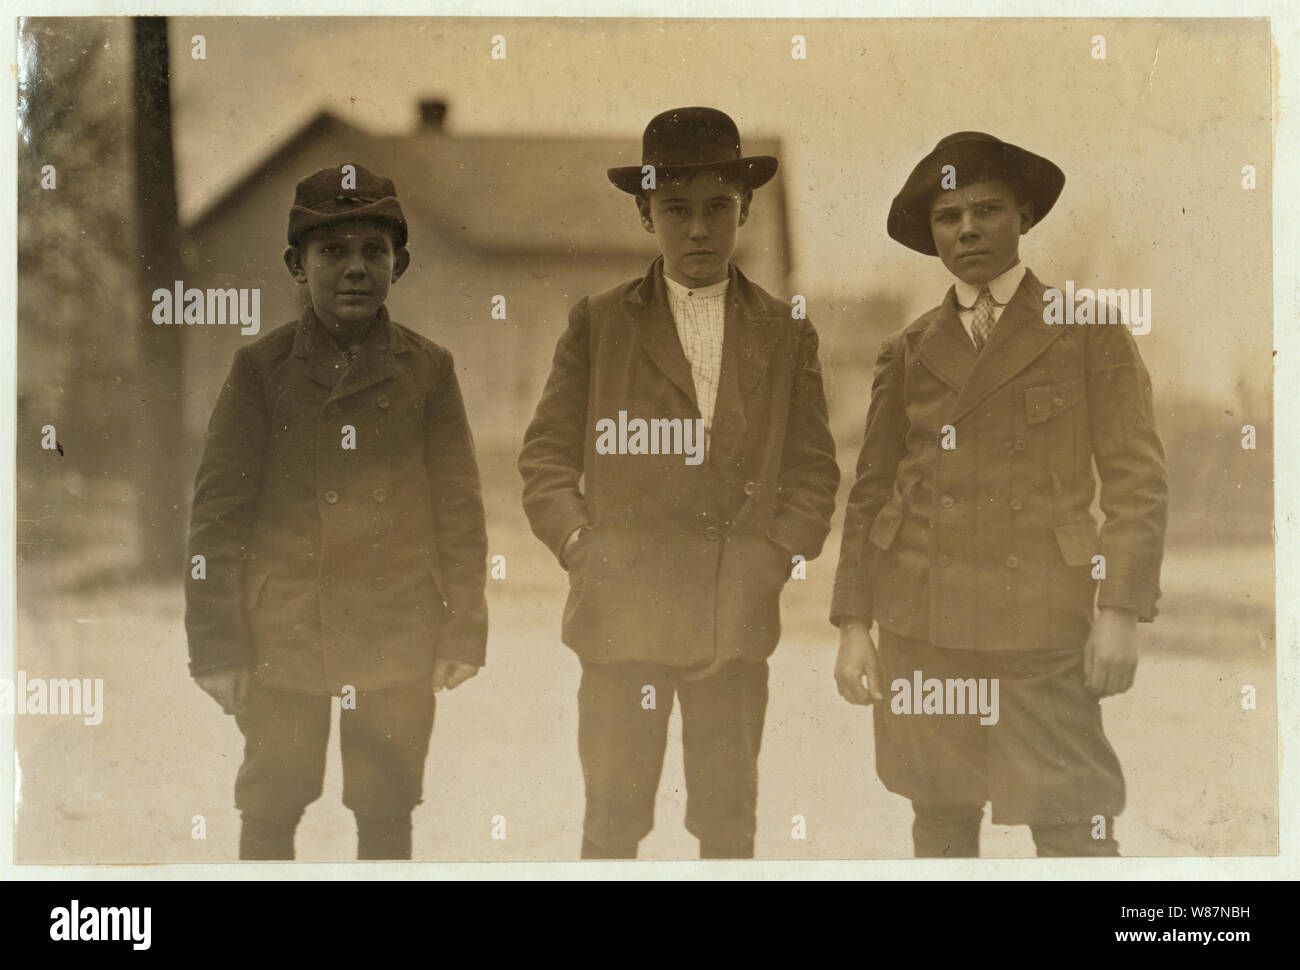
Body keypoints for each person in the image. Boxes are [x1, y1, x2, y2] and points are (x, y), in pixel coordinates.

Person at [830, 131, 1168, 857]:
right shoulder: (909, 349)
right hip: (923, 622)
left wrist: (1120, 612)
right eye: (948, 217)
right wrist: (854, 624)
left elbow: (1137, 479)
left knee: (1074, 821)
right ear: (932, 235)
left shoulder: (1087, 330)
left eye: (987, 209)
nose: (968, 229)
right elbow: (870, 494)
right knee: (942, 822)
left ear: (1025, 217)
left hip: (1042, 625)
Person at [519, 107, 840, 859]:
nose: (698, 229)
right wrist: (579, 547)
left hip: (733, 619)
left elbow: (814, 470)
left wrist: (771, 559)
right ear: (644, 214)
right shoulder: (597, 325)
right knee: (613, 824)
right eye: (676, 210)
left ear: (746, 211)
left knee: (728, 828)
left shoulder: (785, 330)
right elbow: (544, 462)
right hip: (619, 615)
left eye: (718, 209)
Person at [184, 164, 488, 860]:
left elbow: (460, 511)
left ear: (399, 264)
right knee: (272, 801)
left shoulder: (429, 369)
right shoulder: (260, 369)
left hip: (397, 631)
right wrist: (219, 645)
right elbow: (217, 519)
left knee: (386, 805)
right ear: (298, 264)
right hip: (283, 628)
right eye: (332, 252)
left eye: (373, 252)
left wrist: (464, 627)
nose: (355, 269)